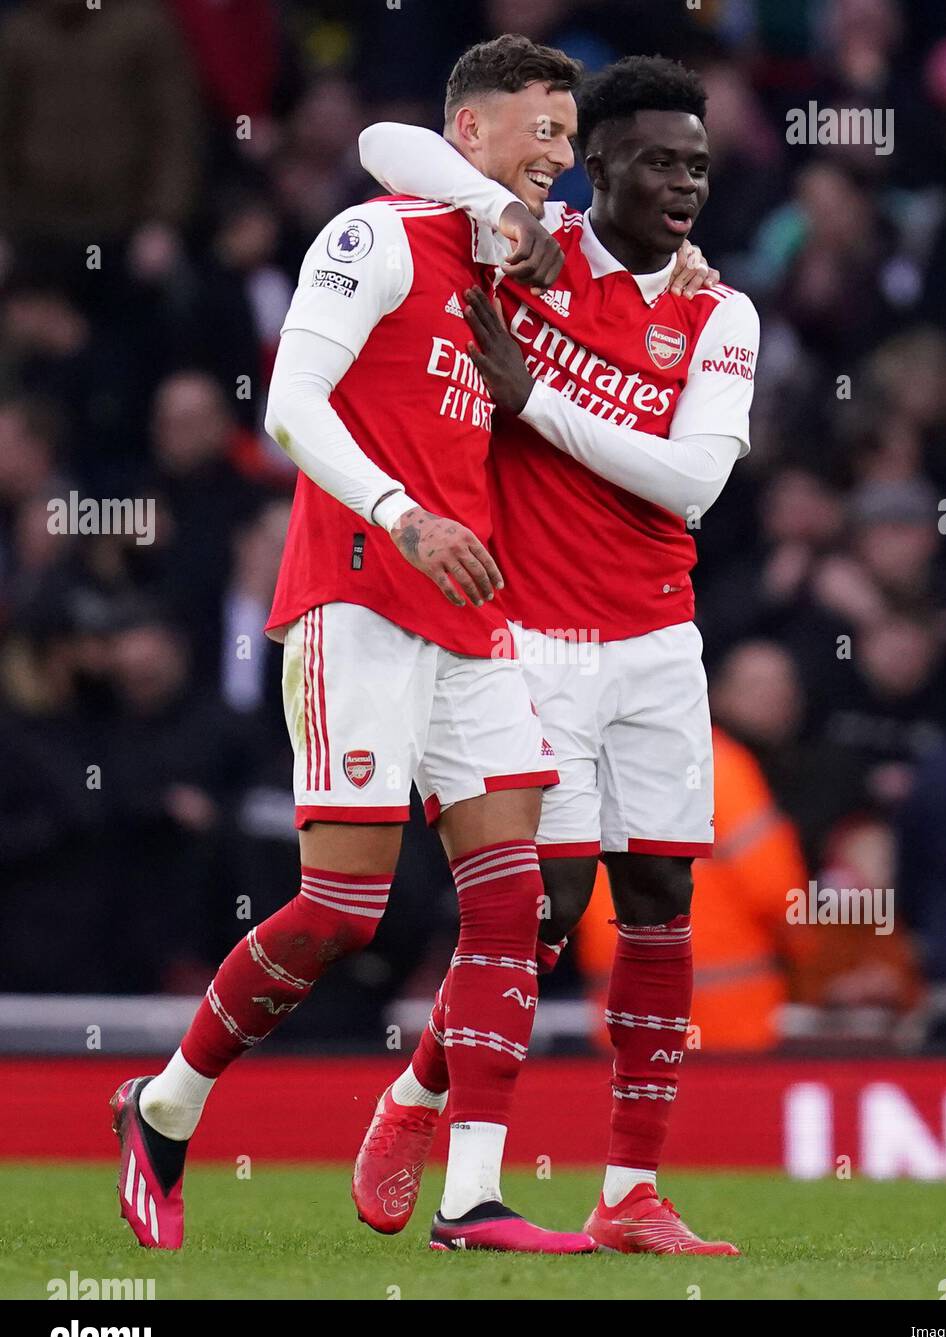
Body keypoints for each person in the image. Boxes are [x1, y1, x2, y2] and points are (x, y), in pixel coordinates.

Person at [109, 33, 597, 1256]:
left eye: (568, 137)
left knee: (515, 905)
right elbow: (287, 406)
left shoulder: (516, 271)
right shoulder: (375, 235)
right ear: (471, 135)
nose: (558, 159)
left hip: (473, 615)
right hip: (361, 594)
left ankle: (470, 1193)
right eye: (538, 132)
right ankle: (165, 1106)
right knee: (340, 910)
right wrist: (403, 513)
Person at [354, 51, 759, 1254]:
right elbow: (385, 143)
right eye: (653, 162)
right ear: (597, 167)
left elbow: (692, 483)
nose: (682, 185)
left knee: (661, 901)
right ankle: (422, 1099)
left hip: (657, 638)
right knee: (546, 906)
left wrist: (535, 404)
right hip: (527, 637)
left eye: (696, 164)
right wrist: (495, 210)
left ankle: (629, 1193)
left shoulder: (718, 308)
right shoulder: (523, 253)